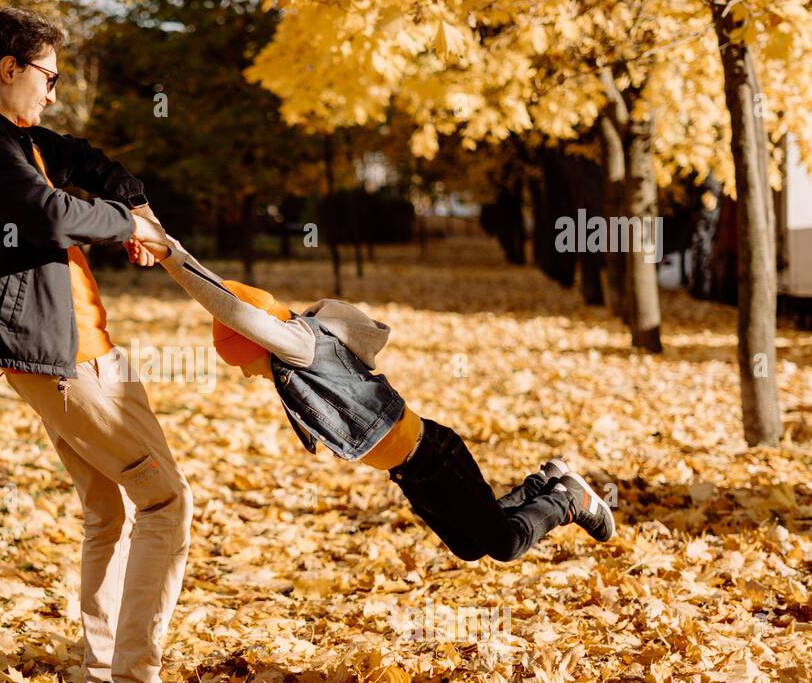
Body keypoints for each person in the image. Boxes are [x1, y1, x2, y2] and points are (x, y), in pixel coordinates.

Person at [0, 7, 214, 683]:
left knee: (110, 507)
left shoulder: (12, 134)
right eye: (49, 78)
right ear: (9, 70)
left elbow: (88, 162)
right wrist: (129, 227)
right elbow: (49, 214)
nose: (53, 93)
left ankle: (103, 681)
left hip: (80, 345)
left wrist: (136, 202)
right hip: (64, 356)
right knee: (165, 501)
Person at [132, 230, 616, 563]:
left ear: (256, 343)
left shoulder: (297, 344)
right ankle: (542, 486)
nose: (245, 376)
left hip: (432, 456)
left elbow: (235, 309)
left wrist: (170, 254)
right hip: (412, 470)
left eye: (243, 364)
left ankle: (570, 499)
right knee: (472, 545)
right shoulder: (289, 358)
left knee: (506, 544)